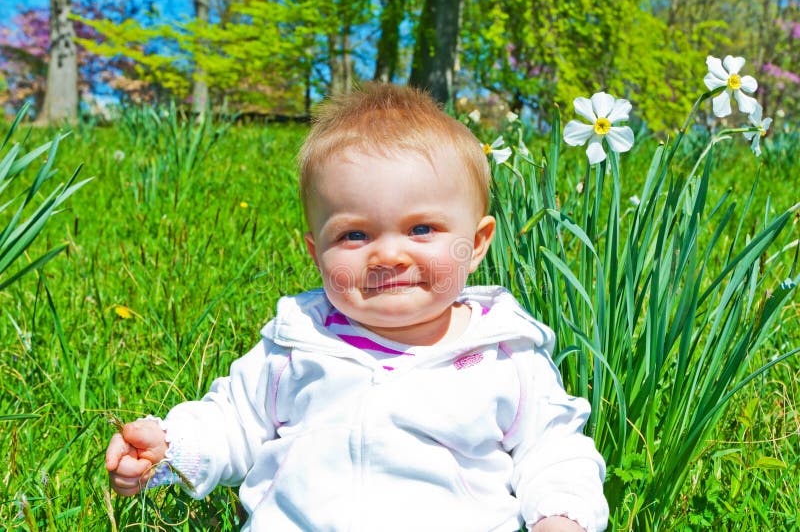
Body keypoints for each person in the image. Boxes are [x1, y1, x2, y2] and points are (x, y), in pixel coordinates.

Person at [105, 83, 609, 532]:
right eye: (354, 235)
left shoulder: (504, 356)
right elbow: (234, 422)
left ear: (477, 244)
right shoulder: (297, 343)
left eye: (421, 229)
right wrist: (172, 449)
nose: (388, 254)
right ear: (316, 252)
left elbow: (553, 450)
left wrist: (560, 515)